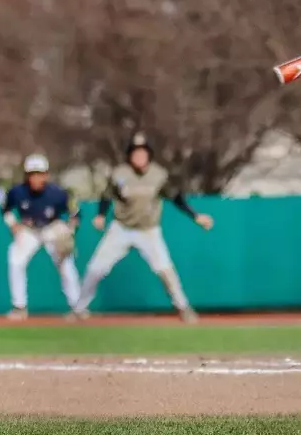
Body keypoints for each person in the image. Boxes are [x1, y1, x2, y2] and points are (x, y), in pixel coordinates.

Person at [72, 131, 214, 324]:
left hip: (148, 230)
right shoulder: (120, 173)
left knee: (165, 270)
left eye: (143, 152)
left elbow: (175, 197)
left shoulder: (159, 175)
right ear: (130, 155)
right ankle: (79, 309)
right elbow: (107, 195)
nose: (139, 156)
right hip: (121, 228)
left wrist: (195, 215)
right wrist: (100, 215)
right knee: (96, 269)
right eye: (135, 152)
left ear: (149, 154)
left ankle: (183, 307)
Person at [0, 153, 81, 321]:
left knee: (65, 265)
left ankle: (77, 307)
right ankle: (19, 307)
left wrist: (69, 229)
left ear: (46, 175)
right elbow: (5, 209)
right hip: (29, 230)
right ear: (26, 176)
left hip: (52, 227)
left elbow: (76, 213)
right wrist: (13, 224)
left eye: (40, 174)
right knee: (15, 259)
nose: (36, 178)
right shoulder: (17, 192)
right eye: (32, 174)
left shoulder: (58, 194)